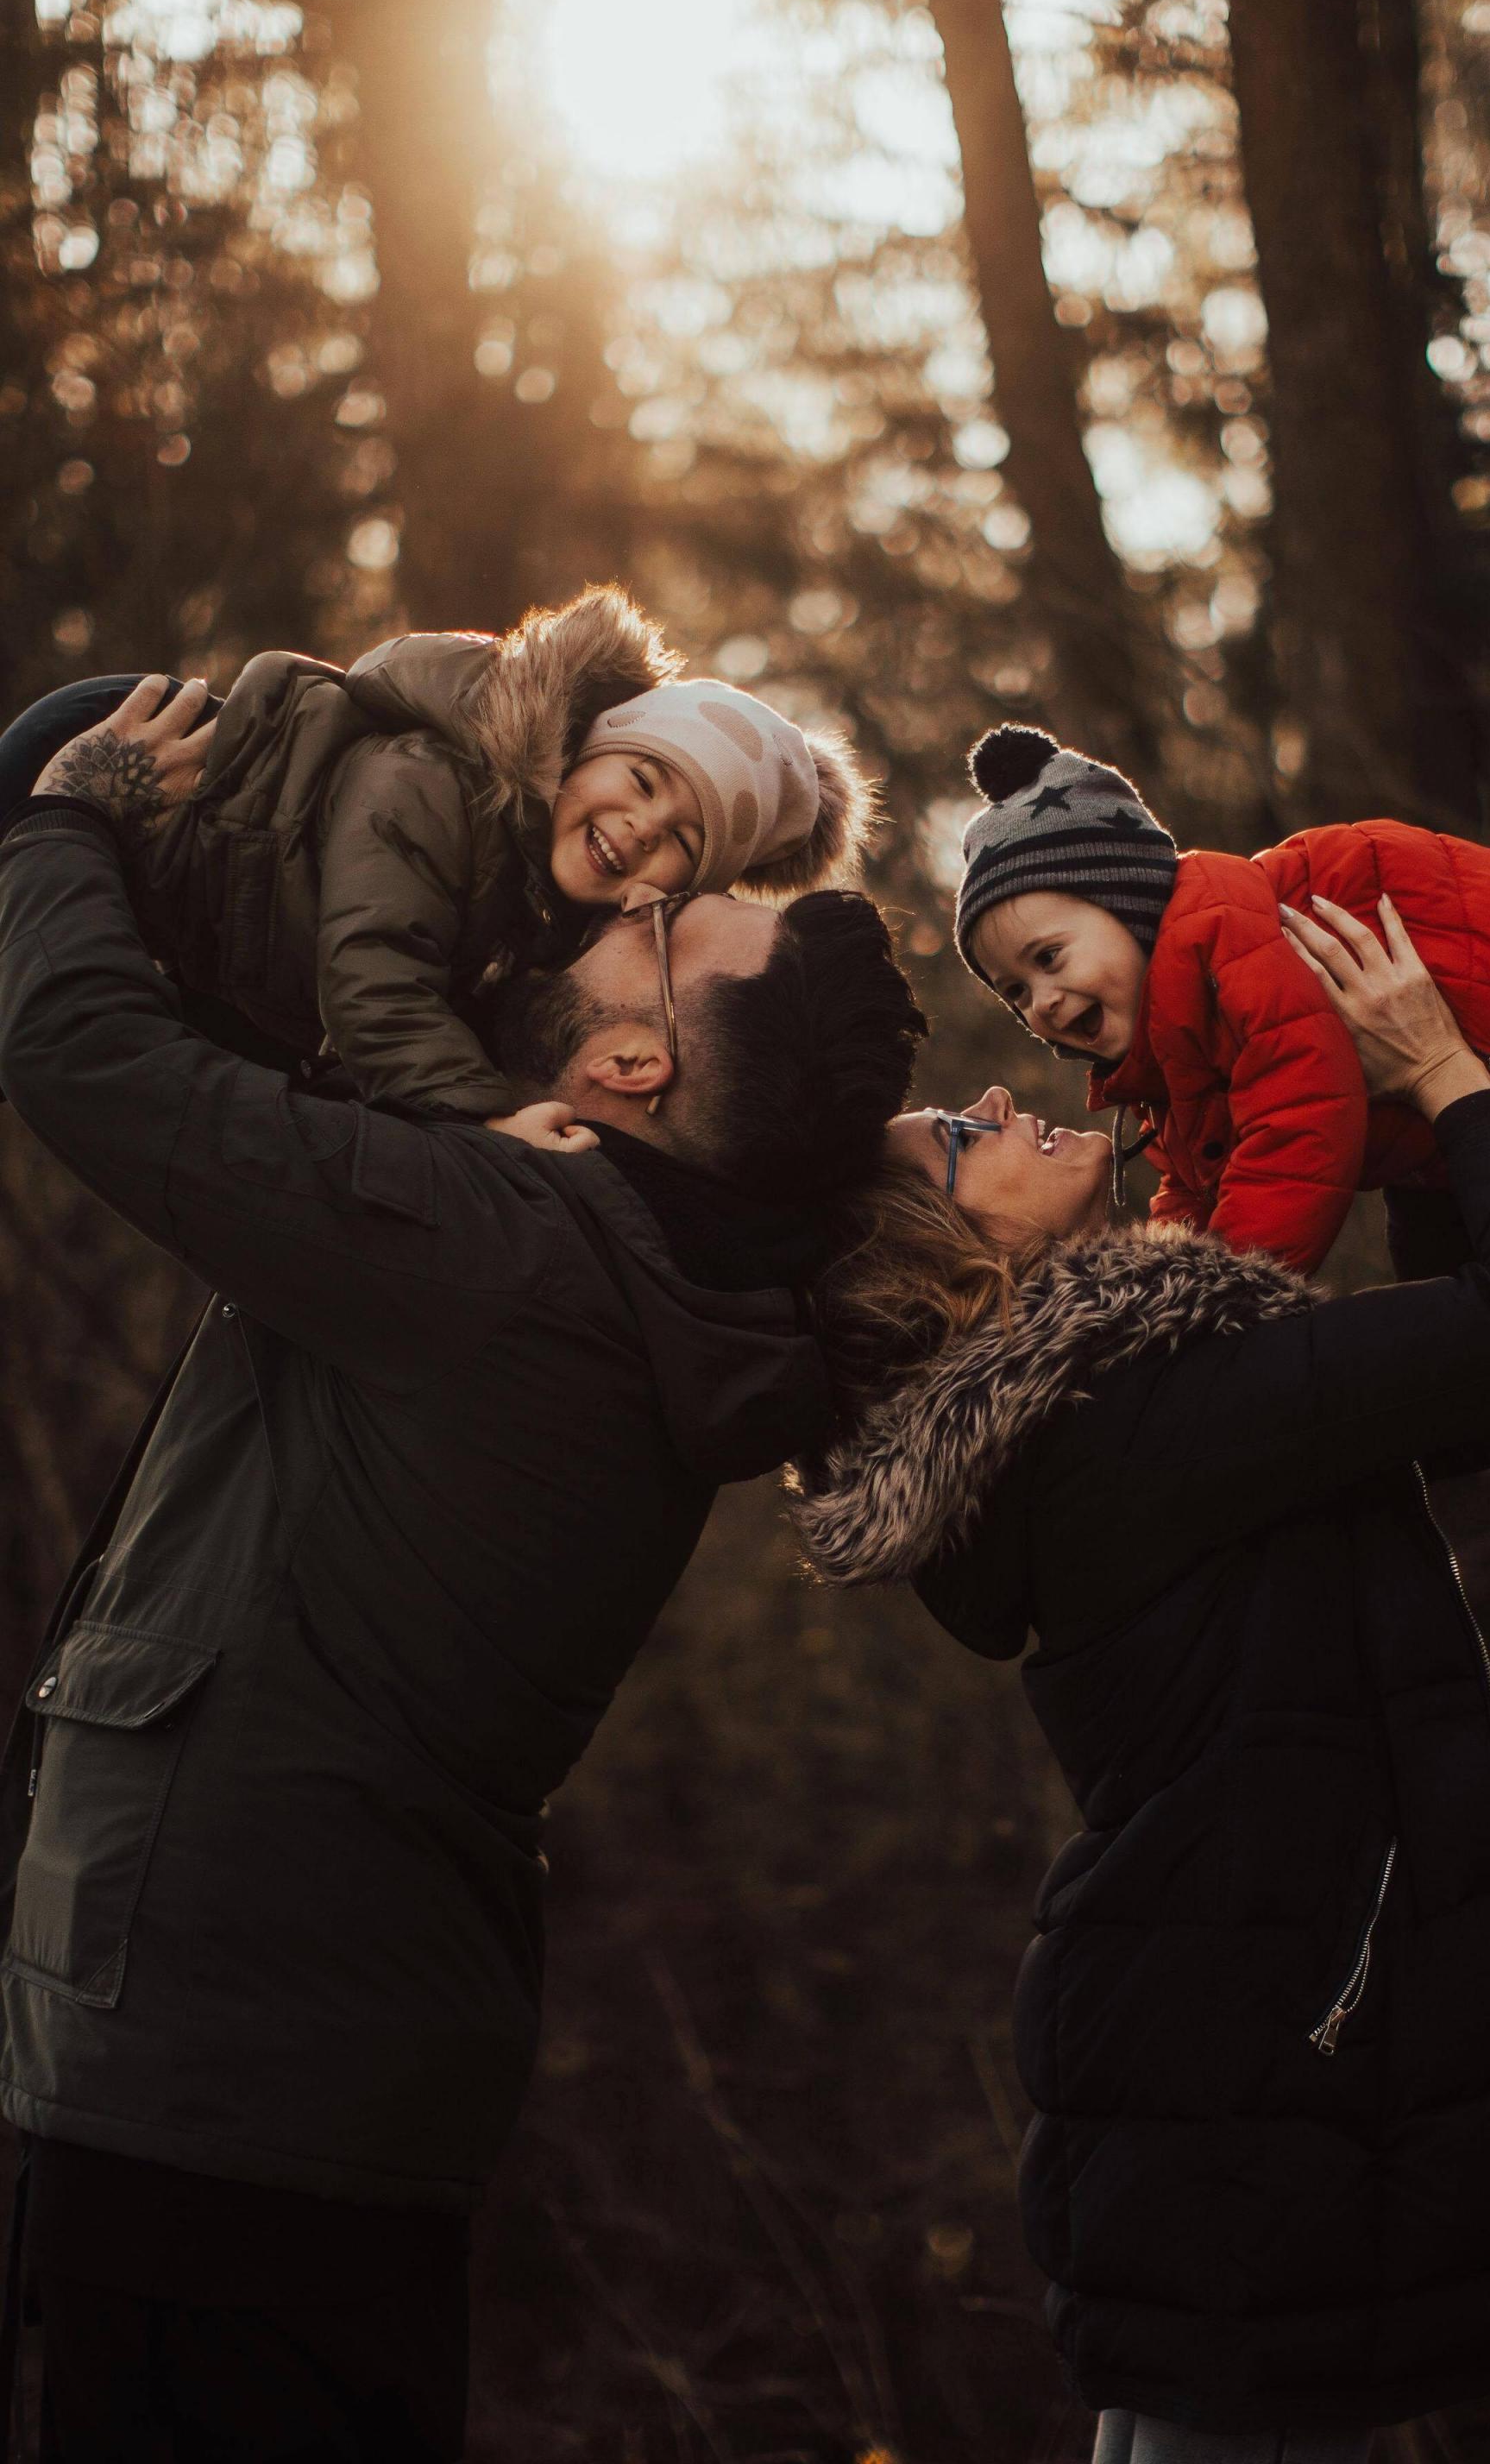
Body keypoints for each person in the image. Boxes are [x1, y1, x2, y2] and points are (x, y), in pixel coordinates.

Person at [0, 677, 925, 2461]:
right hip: (328, 2060)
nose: (618, 908)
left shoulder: (507, 1245)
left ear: (631, 1067)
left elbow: (89, 1060)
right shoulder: (658, 1282)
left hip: (208, 2055)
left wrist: (69, 817)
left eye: (665, 928)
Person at [792, 897, 1490, 2460]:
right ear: (949, 1244)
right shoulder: (1149, 1408)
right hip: (1252, 2045)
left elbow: (1452, 1406)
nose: (993, 1099)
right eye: (948, 1140)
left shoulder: (1092, 1427)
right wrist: (1451, 1076)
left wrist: (1411, 1136)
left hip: (1201, 2034)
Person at [0, 583, 873, 1118]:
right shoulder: (438, 786)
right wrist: (487, 1118)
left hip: (204, 941)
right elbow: (372, 975)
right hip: (141, 772)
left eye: (683, 839)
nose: (644, 827)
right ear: (577, 755)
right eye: (641, 782)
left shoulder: (551, 921)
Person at [950, 722, 1490, 1370]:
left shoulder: (1224, 939)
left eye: (1049, 959)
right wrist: (1152, 1293)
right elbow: (1198, 1187)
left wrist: (1214, 1299)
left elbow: (1301, 1120)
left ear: (1130, 908)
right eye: (1014, 991)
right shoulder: (1174, 1054)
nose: (1041, 1001)